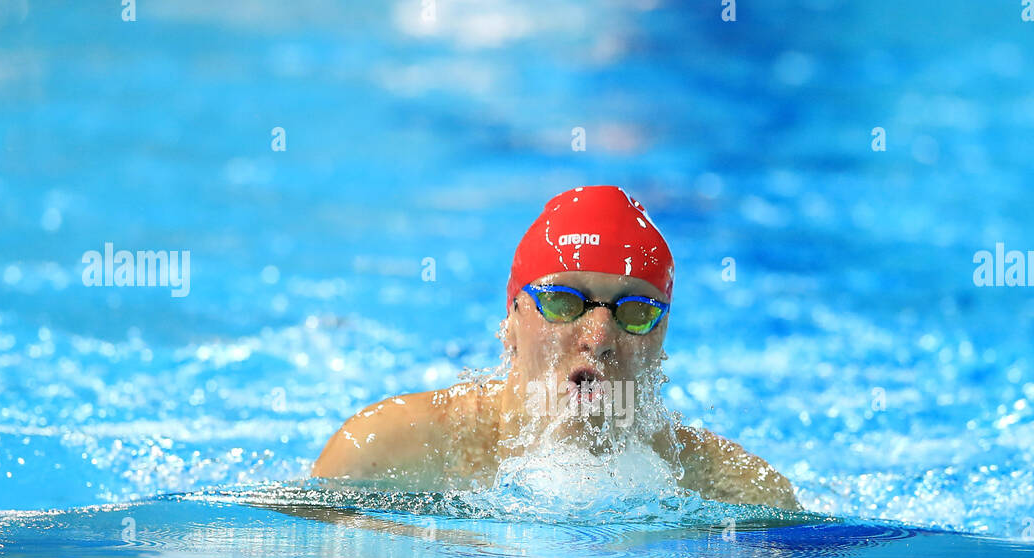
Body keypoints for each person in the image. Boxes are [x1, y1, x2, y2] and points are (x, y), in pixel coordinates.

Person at [312, 185, 799, 510]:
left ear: (662, 340)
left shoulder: (737, 493)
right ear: (511, 322)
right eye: (564, 303)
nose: (600, 339)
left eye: (635, 311)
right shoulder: (385, 450)